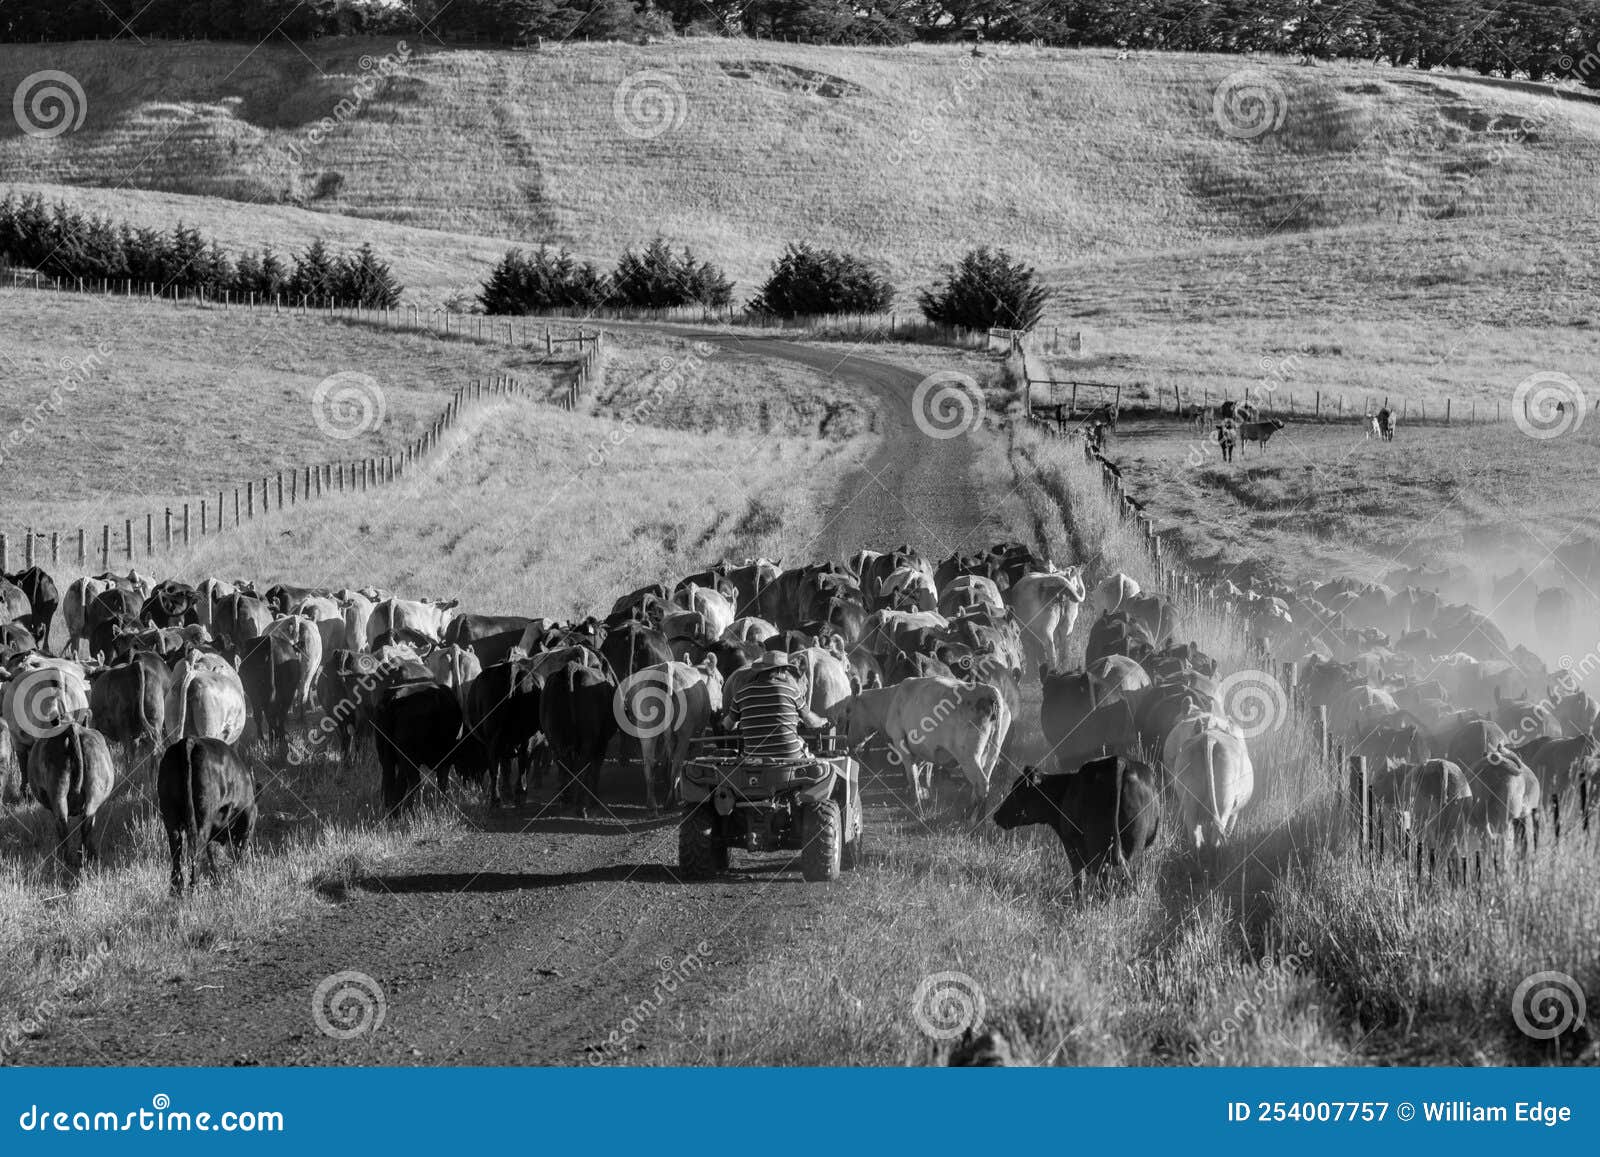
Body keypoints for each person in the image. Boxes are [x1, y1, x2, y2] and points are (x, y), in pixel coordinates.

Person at [725, 644, 829, 760]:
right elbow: (811, 722)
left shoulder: (741, 694)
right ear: (779, 670)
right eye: (785, 670)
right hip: (791, 758)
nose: (785, 675)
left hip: (753, 759)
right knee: (814, 756)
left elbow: (728, 725)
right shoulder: (791, 691)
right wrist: (822, 720)